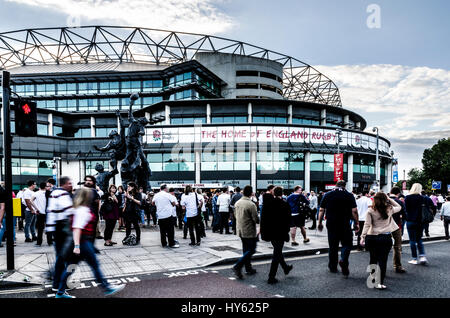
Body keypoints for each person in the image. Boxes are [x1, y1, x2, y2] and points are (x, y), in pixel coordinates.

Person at [55, 187, 125, 298]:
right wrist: (77, 246)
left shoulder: (77, 208)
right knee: (94, 266)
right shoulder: (82, 210)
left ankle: (60, 292)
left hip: (81, 242)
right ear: (86, 197)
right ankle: (107, 288)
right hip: (83, 242)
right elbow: (77, 228)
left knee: (70, 267)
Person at [360, 192, 402, 290]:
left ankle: (373, 279)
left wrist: (363, 237)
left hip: (372, 237)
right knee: (383, 260)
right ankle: (379, 283)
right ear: (385, 200)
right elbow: (399, 206)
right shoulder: (389, 209)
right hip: (385, 238)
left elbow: (367, 224)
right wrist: (389, 199)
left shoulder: (370, 210)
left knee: (373, 258)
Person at [318, 180, 359, 276]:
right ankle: (343, 259)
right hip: (345, 224)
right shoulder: (349, 195)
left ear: (336, 185)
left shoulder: (328, 195)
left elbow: (321, 209)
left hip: (331, 224)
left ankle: (333, 267)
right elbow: (354, 211)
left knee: (333, 246)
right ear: (345, 186)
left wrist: (319, 222)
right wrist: (357, 223)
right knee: (347, 244)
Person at [46, 176, 74, 293]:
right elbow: (69, 211)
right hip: (63, 228)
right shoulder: (62, 194)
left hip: (57, 229)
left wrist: (50, 228)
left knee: (61, 256)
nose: (71, 185)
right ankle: (58, 282)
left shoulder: (54, 193)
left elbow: (51, 212)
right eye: (69, 183)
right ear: (65, 184)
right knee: (66, 257)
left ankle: (58, 283)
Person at [260, 186, 293, 284]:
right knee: (277, 253)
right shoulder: (285, 204)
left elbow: (263, 219)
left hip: (270, 232)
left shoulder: (267, 204)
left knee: (277, 251)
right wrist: (287, 231)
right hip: (280, 233)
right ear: (282, 193)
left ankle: (285, 267)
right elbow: (288, 220)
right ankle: (271, 277)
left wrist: (263, 231)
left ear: (273, 193)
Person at [232, 185, 259, 279]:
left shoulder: (237, 203)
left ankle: (248, 268)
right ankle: (238, 266)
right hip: (249, 230)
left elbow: (235, 215)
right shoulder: (251, 204)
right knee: (252, 249)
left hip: (240, 229)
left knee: (245, 249)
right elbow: (256, 219)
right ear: (251, 193)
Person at [404, 183, 432, 265]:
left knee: (412, 240)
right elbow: (433, 207)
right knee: (419, 239)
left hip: (410, 221)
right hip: (421, 222)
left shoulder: (408, 198)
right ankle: (422, 256)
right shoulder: (424, 198)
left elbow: (406, 209)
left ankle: (414, 259)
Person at [389, 187, 407, 273]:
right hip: (396, 226)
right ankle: (397, 266)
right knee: (397, 246)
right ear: (398, 193)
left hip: (384, 227)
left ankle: (381, 266)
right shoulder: (400, 202)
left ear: (390, 192)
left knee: (382, 248)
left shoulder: (384, 201)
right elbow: (404, 214)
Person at [31, 182, 51, 246]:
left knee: (40, 228)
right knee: (49, 227)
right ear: (45, 187)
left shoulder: (36, 193)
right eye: (47, 186)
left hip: (40, 212)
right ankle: (49, 242)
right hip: (48, 213)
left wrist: (36, 208)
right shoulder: (48, 193)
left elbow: (31, 201)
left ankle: (39, 242)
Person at [83, 176, 102, 240]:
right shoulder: (82, 191)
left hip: (93, 215)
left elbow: (98, 202)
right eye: (87, 180)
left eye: (90, 180)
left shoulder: (94, 191)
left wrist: (98, 210)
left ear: (93, 182)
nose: (88, 182)